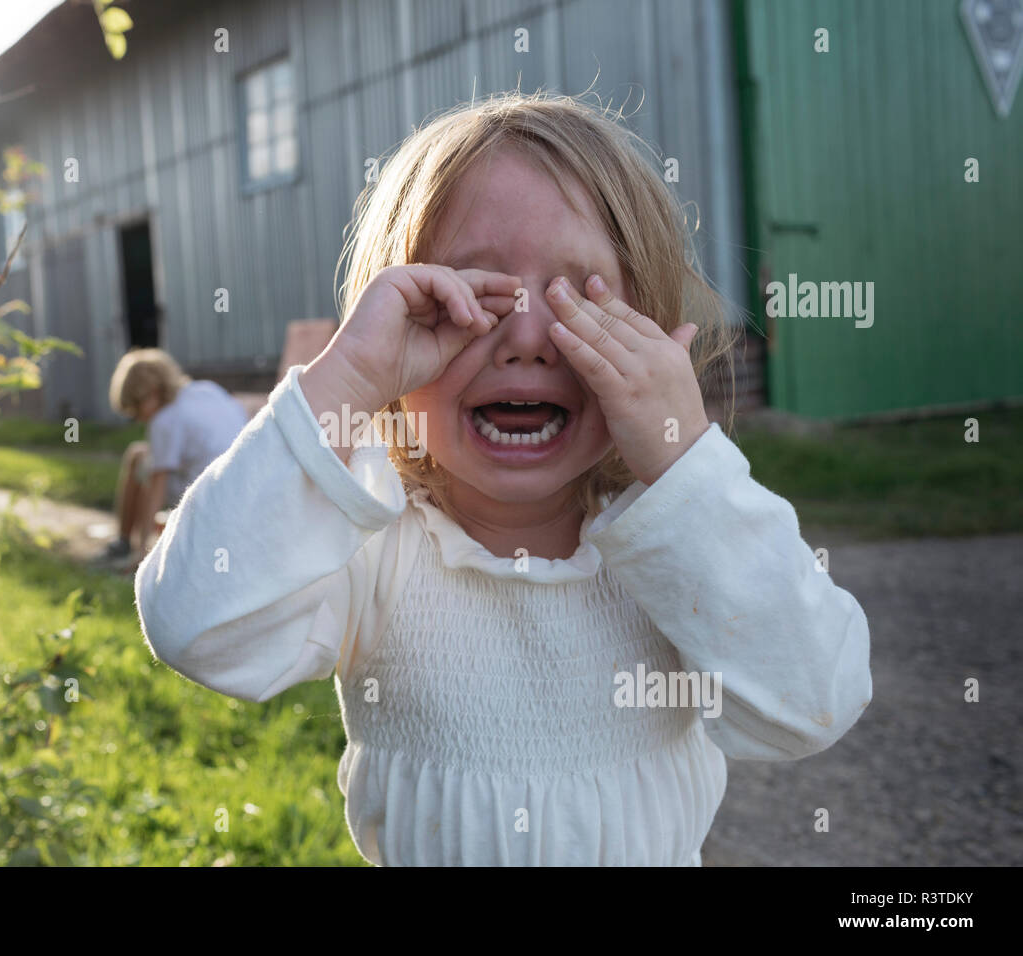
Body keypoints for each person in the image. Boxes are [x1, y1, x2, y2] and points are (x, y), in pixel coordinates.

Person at [134, 92, 872, 865]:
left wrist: (680, 460)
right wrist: (346, 379)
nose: (526, 338)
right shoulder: (376, 547)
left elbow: (812, 703)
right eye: (472, 294)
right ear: (395, 333)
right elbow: (196, 627)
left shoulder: (681, 544)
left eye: (578, 297)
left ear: (649, 328)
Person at [103, 348, 248, 565]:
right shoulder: (207, 389)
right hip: (238, 486)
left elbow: (157, 484)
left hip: (202, 496)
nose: (138, 418)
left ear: (152, 392)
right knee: (148, 455)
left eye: (137, 408)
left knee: (140, 459)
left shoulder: (165, 419)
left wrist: (143, 554)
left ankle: (128, 543)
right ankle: (135, 542)